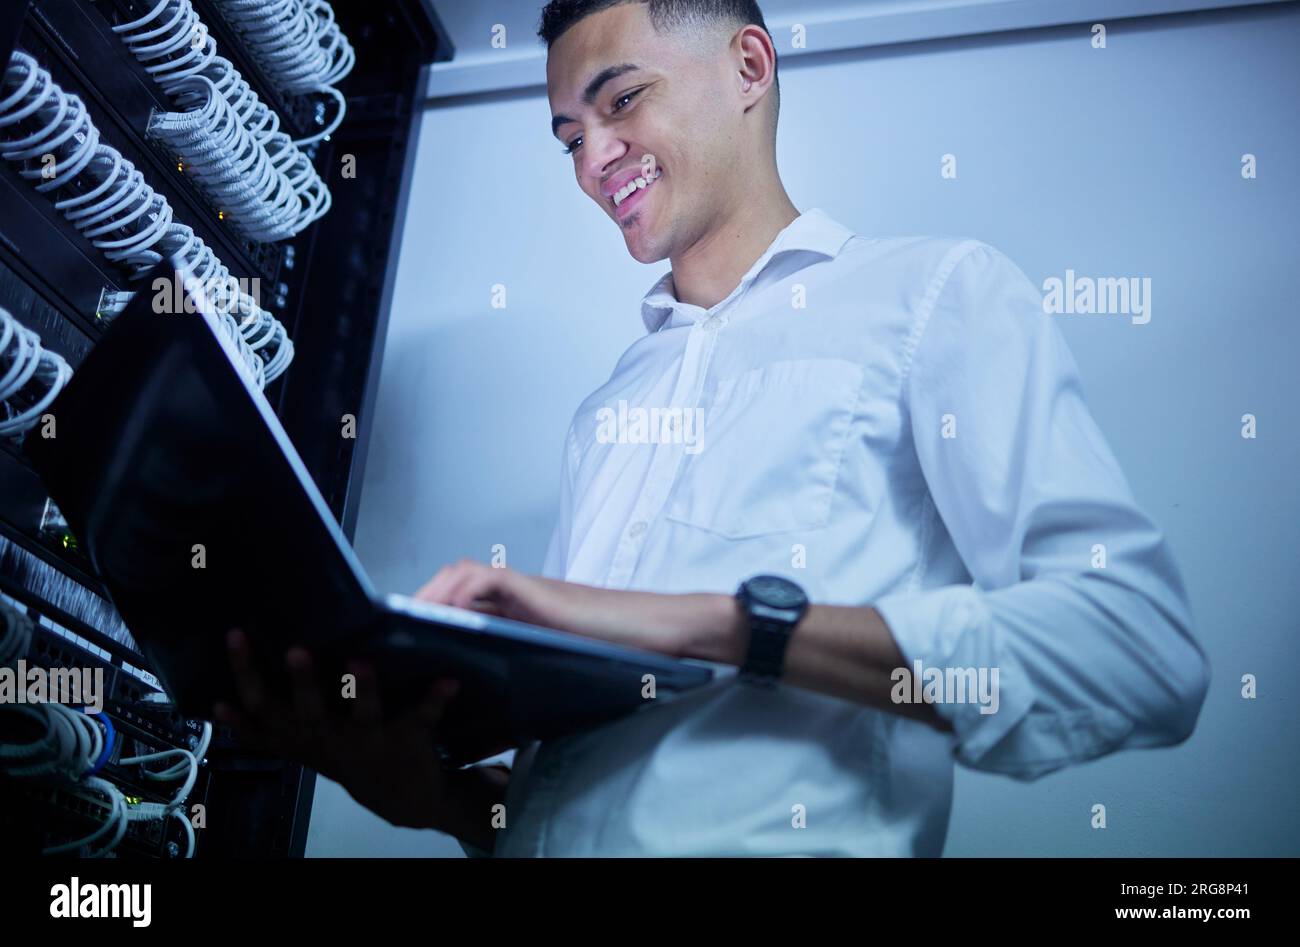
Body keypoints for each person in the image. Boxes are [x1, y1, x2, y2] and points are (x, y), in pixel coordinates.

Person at [214, 0, 1210, 857]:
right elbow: (577, 804)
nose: (592, 160)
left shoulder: (933, 295)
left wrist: (723, 624)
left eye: (620, 99)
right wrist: (432, 797)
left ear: (748, 66)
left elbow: (1135, 651)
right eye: (568, 136)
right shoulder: (609, 409)